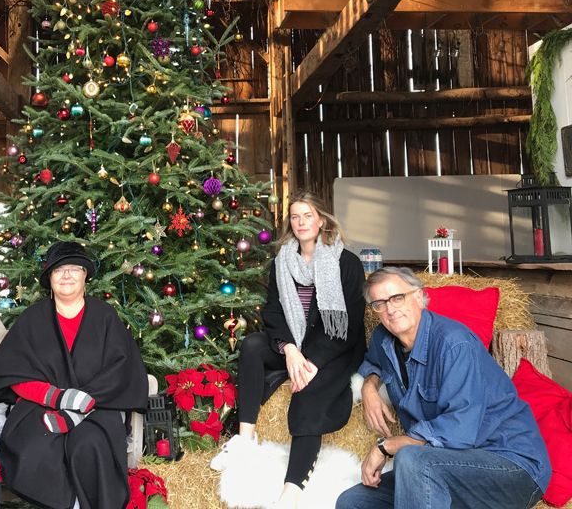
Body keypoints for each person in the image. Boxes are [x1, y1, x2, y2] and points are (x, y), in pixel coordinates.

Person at [336, 266, 551, 509]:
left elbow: (460, 430)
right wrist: (369, 388)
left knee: (411, 458)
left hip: (510, 465)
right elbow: (373, 362)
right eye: (380, 303)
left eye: (397, 297)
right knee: (353, 501)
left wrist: (386, 447)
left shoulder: (454, 344)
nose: (390, 309)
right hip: (447, 464)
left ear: (419, 296)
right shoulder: (383, 338)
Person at [211, 191, 367, 508]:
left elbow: (347, 325)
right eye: (295, 216)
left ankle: (292, 491)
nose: (300, 222)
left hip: (335, 348)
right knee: (253, 344)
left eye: (307, 215)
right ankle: (245, 437)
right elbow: (272, 312)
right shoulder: (282, 262)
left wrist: (311, 362)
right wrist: (290, 350)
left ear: (322, 219)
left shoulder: (346, 263)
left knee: (308, 395)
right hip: (296, 344)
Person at [0, 240, 149, 509]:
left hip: (97, 407)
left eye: (74, 269)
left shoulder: (105, 316)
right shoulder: (33, 318)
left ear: (85, 276)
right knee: (39, 446)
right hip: (41, 408)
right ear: (50, 279)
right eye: (59, 270)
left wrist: (81, 405)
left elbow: (122, 370)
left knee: (89, 446)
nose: (66, 275)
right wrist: (58, 398)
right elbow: (14, 373)